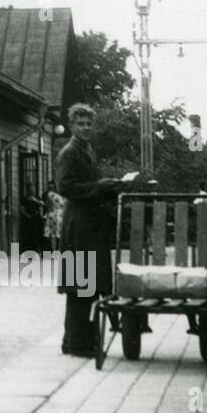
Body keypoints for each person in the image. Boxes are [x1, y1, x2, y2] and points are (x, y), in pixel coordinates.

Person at [54, 104, 120, 357]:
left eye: (89, 124)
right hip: (78, 226)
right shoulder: (70, 152)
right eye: (80, 124)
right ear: (72, 126)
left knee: (87, 284)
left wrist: (108, 188)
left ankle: (76, 341)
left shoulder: (86, 149)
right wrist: (99, 187)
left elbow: (86, 186)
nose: (85, 128)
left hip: (88, 224)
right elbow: (65, 187)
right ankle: (78, 344)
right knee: (81, 284)